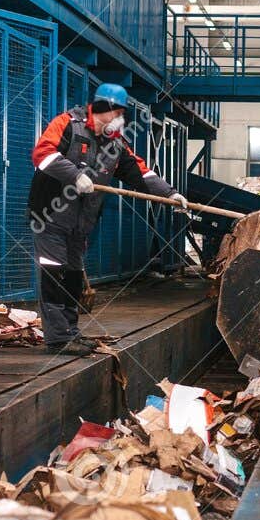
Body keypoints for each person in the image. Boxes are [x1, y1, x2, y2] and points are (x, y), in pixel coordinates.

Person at [27, 83, 186, 353]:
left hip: (81, 223)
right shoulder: (67, 124)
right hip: (50, 215)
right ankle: (58, 339)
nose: (114, 119)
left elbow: (141, 173)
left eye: (118, 114)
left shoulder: (115, 144)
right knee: (54, 274)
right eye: (111, 113)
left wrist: (170, 193)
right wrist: (75, 175)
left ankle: (70, 332)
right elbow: (42, 154)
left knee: (73, 276)